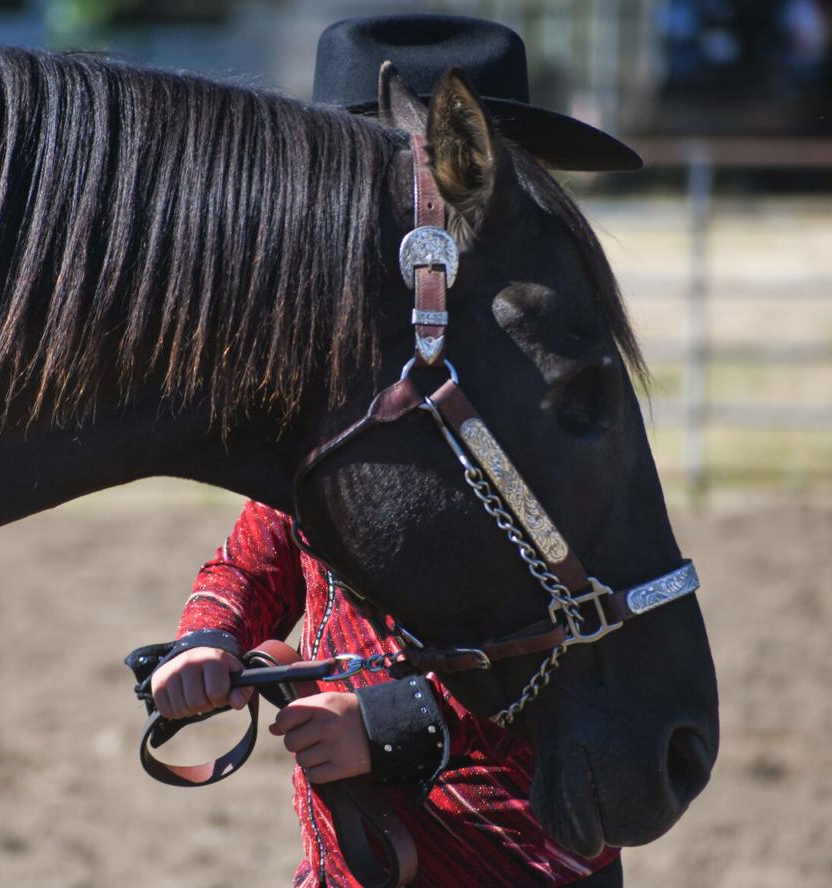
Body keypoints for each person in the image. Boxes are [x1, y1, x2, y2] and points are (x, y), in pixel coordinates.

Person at [150, 16, 641, 888]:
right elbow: (259, 551)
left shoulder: (526, 432)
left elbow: (566, 647)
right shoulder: (340, 406)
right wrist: (210, 639)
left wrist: (389, 726)